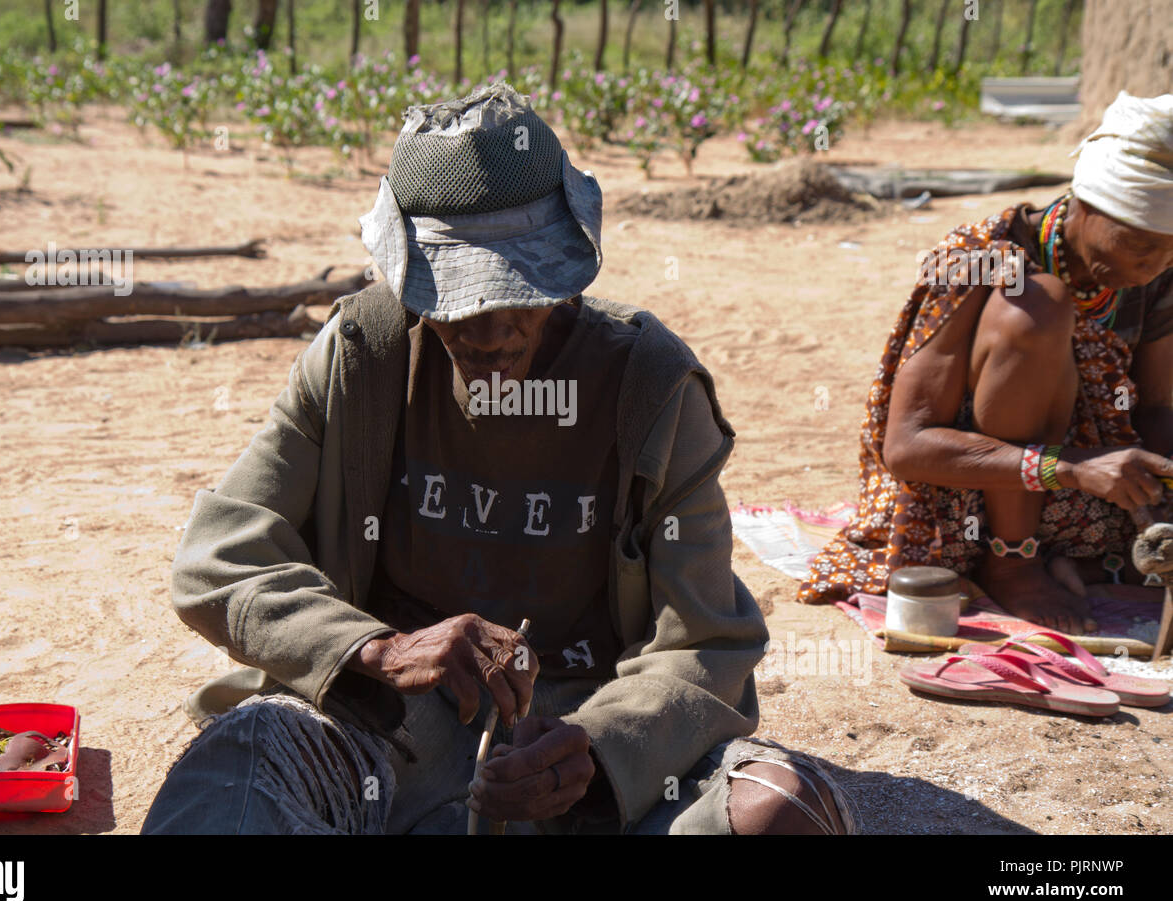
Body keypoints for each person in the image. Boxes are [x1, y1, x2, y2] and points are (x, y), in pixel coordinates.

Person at [141, 83, 854, 835]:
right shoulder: (364, 357)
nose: (488, 331)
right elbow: (217, 559)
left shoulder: (650, 388)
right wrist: (380, 648)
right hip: (386, 735)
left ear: (568, 267)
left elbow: (706, 642)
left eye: (519, 292)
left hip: (585, 751)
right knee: (241, 766)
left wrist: (600, 750)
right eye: (452, 299)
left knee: (777, 810)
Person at [799, 91, 1173, 635]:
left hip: (1089, 498)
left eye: (1170, 251)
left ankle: (1087, 561)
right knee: (1039, 309)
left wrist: (1158, 501)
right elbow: (908, 446)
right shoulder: (982, 260)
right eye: (1139, 246)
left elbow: (1158, 407)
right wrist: (1071, 467)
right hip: (965, 501)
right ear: (1088, 204)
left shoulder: (1157, 274)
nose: (1152, 267)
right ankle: (1013, 562)